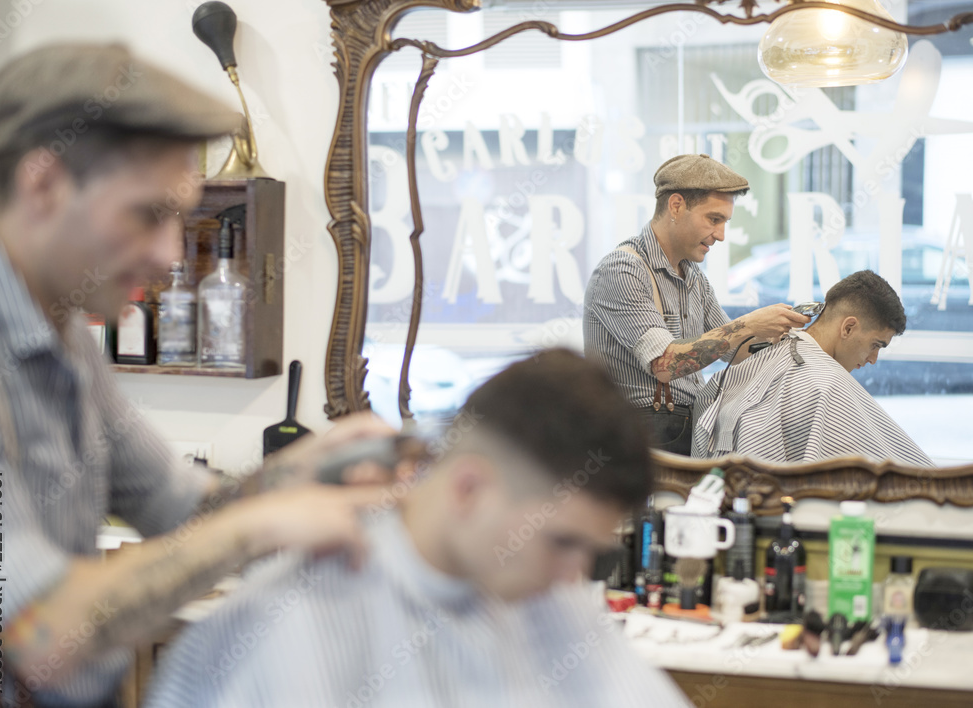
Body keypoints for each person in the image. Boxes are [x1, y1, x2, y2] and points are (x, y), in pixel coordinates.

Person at [0, 43, 392, 707]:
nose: (172, 256)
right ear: (44, 185)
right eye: (148, 215)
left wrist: (301, 476)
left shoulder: (67, 338)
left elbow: (183, 511)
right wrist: (263, 525)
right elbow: (35, 630)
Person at [144, 350, 693, 708]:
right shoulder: (285, 623)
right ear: (468, 488)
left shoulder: (547, 603)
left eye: (589, 553)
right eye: (562, 543)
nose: (573, 576)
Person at [583, 154, 810, 455]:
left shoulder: (693, 278)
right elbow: (666, 365)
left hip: (687, 426)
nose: (721, 235)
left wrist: (785, 336)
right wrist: (750, 324)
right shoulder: (623, 270)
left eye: (725, 222)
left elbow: (735, 349)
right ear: (676, 206)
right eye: (714, 219)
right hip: (635, 437)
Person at [691, 270, 933, 466]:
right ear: (848, 328)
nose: (873, 359)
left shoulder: (782, 355)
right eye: (875, 345)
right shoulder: (824, 384)